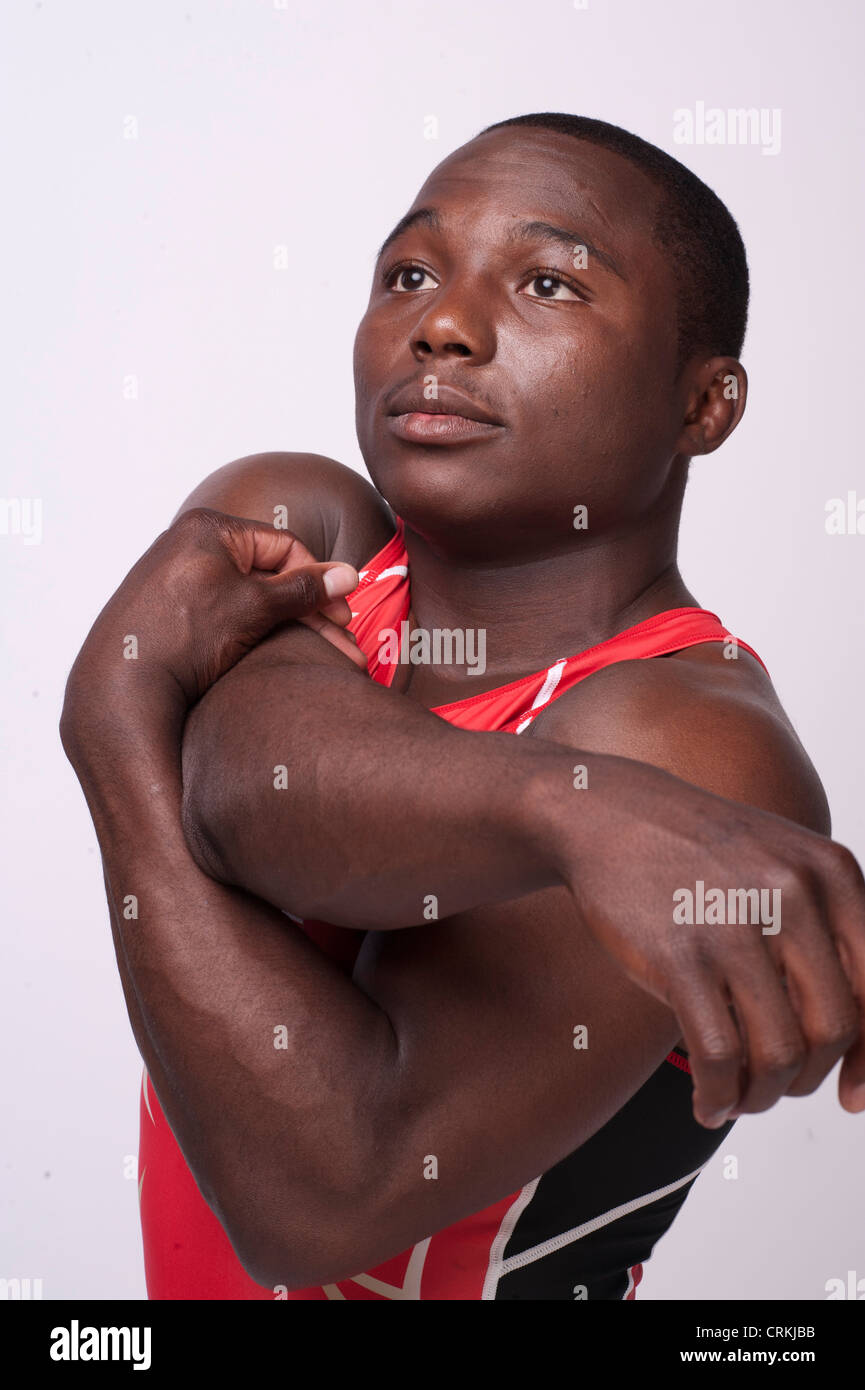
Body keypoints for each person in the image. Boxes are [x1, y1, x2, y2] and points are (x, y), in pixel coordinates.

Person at [60, 113, 865, 1301]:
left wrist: (118, 719)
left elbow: (320, 1194)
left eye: (548, 283)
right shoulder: (300, 515)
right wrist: (574, 813)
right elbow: (245, 792)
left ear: (705, 407)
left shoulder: (694, 747)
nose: (439, 325)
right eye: (409, 274)